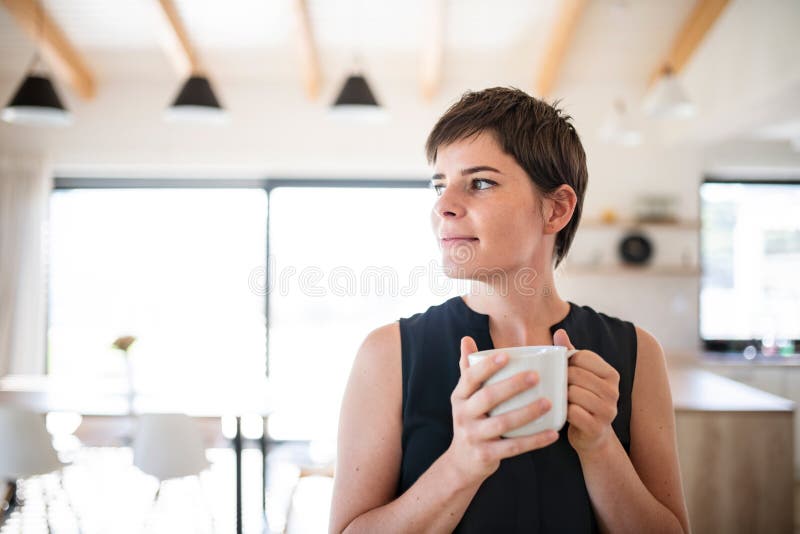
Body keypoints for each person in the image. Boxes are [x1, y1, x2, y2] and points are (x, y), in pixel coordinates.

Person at [329, 87, 690, 533]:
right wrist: (461, 465)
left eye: (480, 182)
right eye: (440, 185)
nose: (443, 205)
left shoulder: (637, 352)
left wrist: (600, 446)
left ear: (556, 209)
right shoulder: (388, 354)